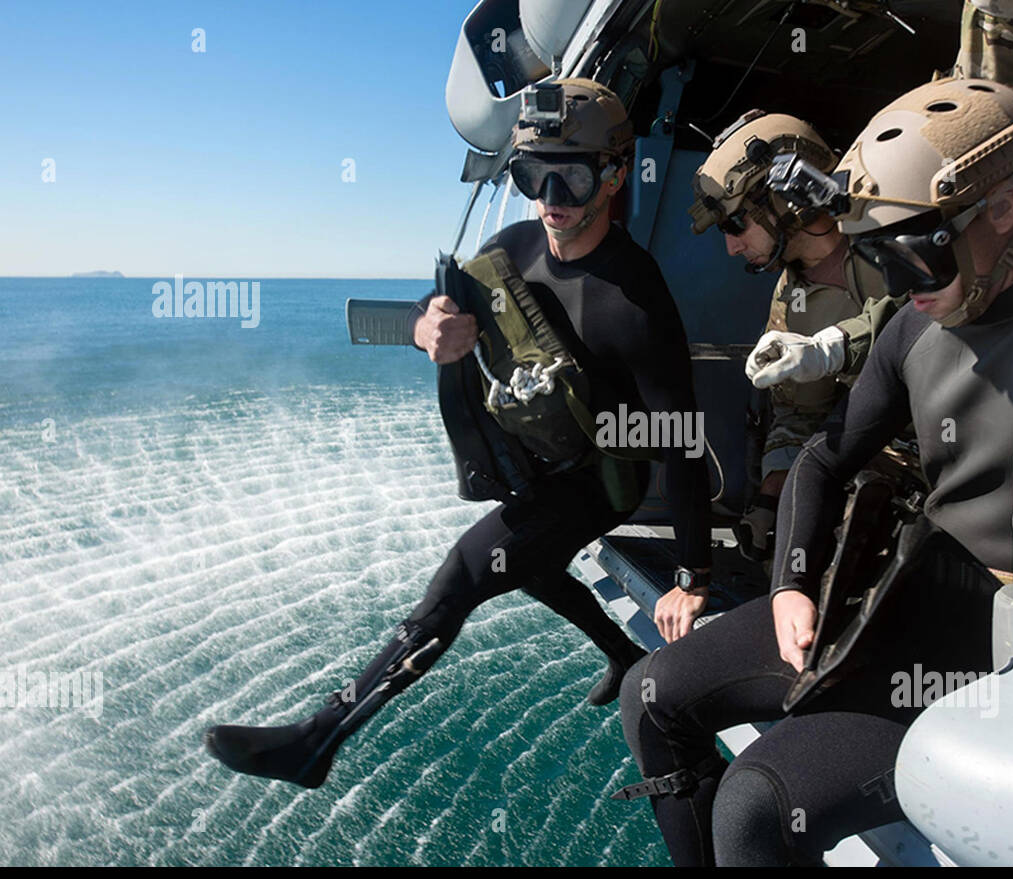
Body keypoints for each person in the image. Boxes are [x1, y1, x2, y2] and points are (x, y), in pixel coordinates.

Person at [204, 79, 713, 790]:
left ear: (616, 174)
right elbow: (441, 302)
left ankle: (318, 741)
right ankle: (620, 654)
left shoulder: (634, 298)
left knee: (466, 572)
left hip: (602, 479)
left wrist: (692, 575)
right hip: (538, 456)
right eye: (531, 175)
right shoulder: (515, 246)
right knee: (528, 564)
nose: (551, 196)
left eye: (571, 174)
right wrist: (424, 328)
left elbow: (682, 437)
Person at [617, 77, 1013, 865]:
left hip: (999, 633)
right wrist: (790, 584)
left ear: (1004, 209)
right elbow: (822, 455)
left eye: (913, 252)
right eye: (881, 258)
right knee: (650, 696)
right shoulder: (915, 329)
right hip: (910, 583)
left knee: (754, 809)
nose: (905, 288)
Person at [688, 112, 897, 563]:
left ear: (783, 199)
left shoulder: (892, 230)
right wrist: (771, 496)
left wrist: (834, 349)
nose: (732, 247)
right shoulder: (789, 297)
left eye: (735, 225)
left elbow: (924, 316)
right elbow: (799, 415)